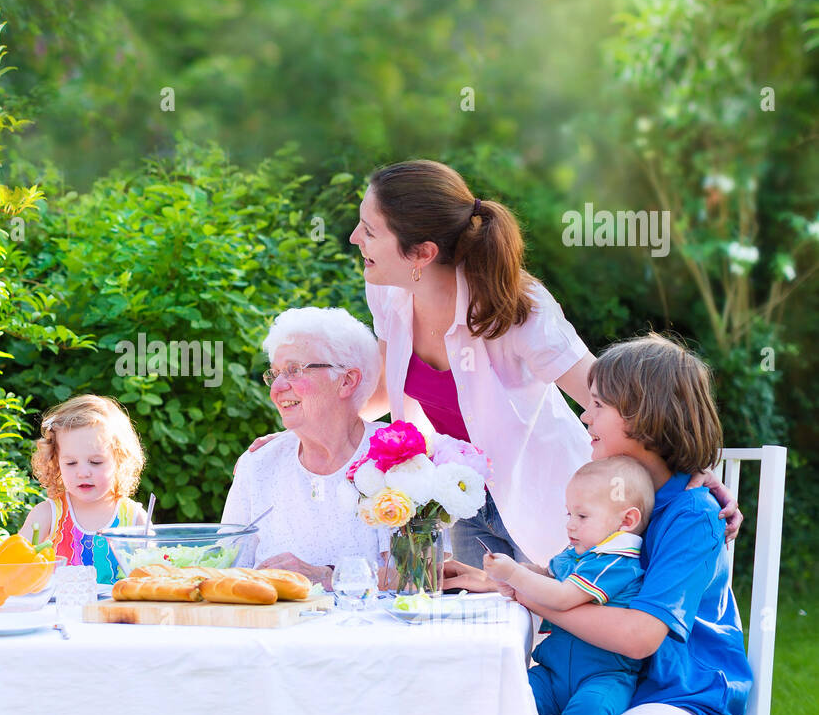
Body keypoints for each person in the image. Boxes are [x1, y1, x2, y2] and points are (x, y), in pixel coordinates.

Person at [344, 159, 740, 577]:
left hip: (556, 500)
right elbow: (387, 388)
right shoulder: (388, 293)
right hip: (463, 496)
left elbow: (611, 397)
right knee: (479, 632)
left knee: (554, 632)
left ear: (422, 253)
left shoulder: (518, 308)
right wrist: (304, 435)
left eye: (370, 230)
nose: (355, 239)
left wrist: (694, 467)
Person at [509, 334, 752, 715]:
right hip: (609, 688)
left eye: (598, 405)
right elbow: (579, 581)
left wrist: (534, 594)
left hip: (683, 701)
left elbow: (640, 637)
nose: (585, 415)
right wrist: (508, 582)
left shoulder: (693, 514)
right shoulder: (619, 502)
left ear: (644, 415)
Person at [483, 455, 655, 715]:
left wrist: (515, 575)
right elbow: (550, 577)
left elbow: (563, 597)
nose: (570, 524)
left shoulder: (616, 560)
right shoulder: (581, 552)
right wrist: (518, 574)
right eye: (569, 514)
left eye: (582, 515)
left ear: (626, 520)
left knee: (588, 710)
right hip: (553, 672)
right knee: (514, 694)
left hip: (603, 675)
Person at [222, 307, 388, 590]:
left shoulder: (396, 460)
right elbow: (227, 571)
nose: (277, 387)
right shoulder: (258, 464)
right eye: (274, 374)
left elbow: (420, 577)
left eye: (294, 371)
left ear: (347, 380)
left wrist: (326, 577)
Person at [19, 395, 147, 584]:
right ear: (55, 463)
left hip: (119, 612)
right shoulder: (48, 514)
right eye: (71, 463)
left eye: (96, 462)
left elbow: (154, 572)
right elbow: (14, 565)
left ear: (119, 460)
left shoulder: (134, 517)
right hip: (61, 612)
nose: (83, 472)